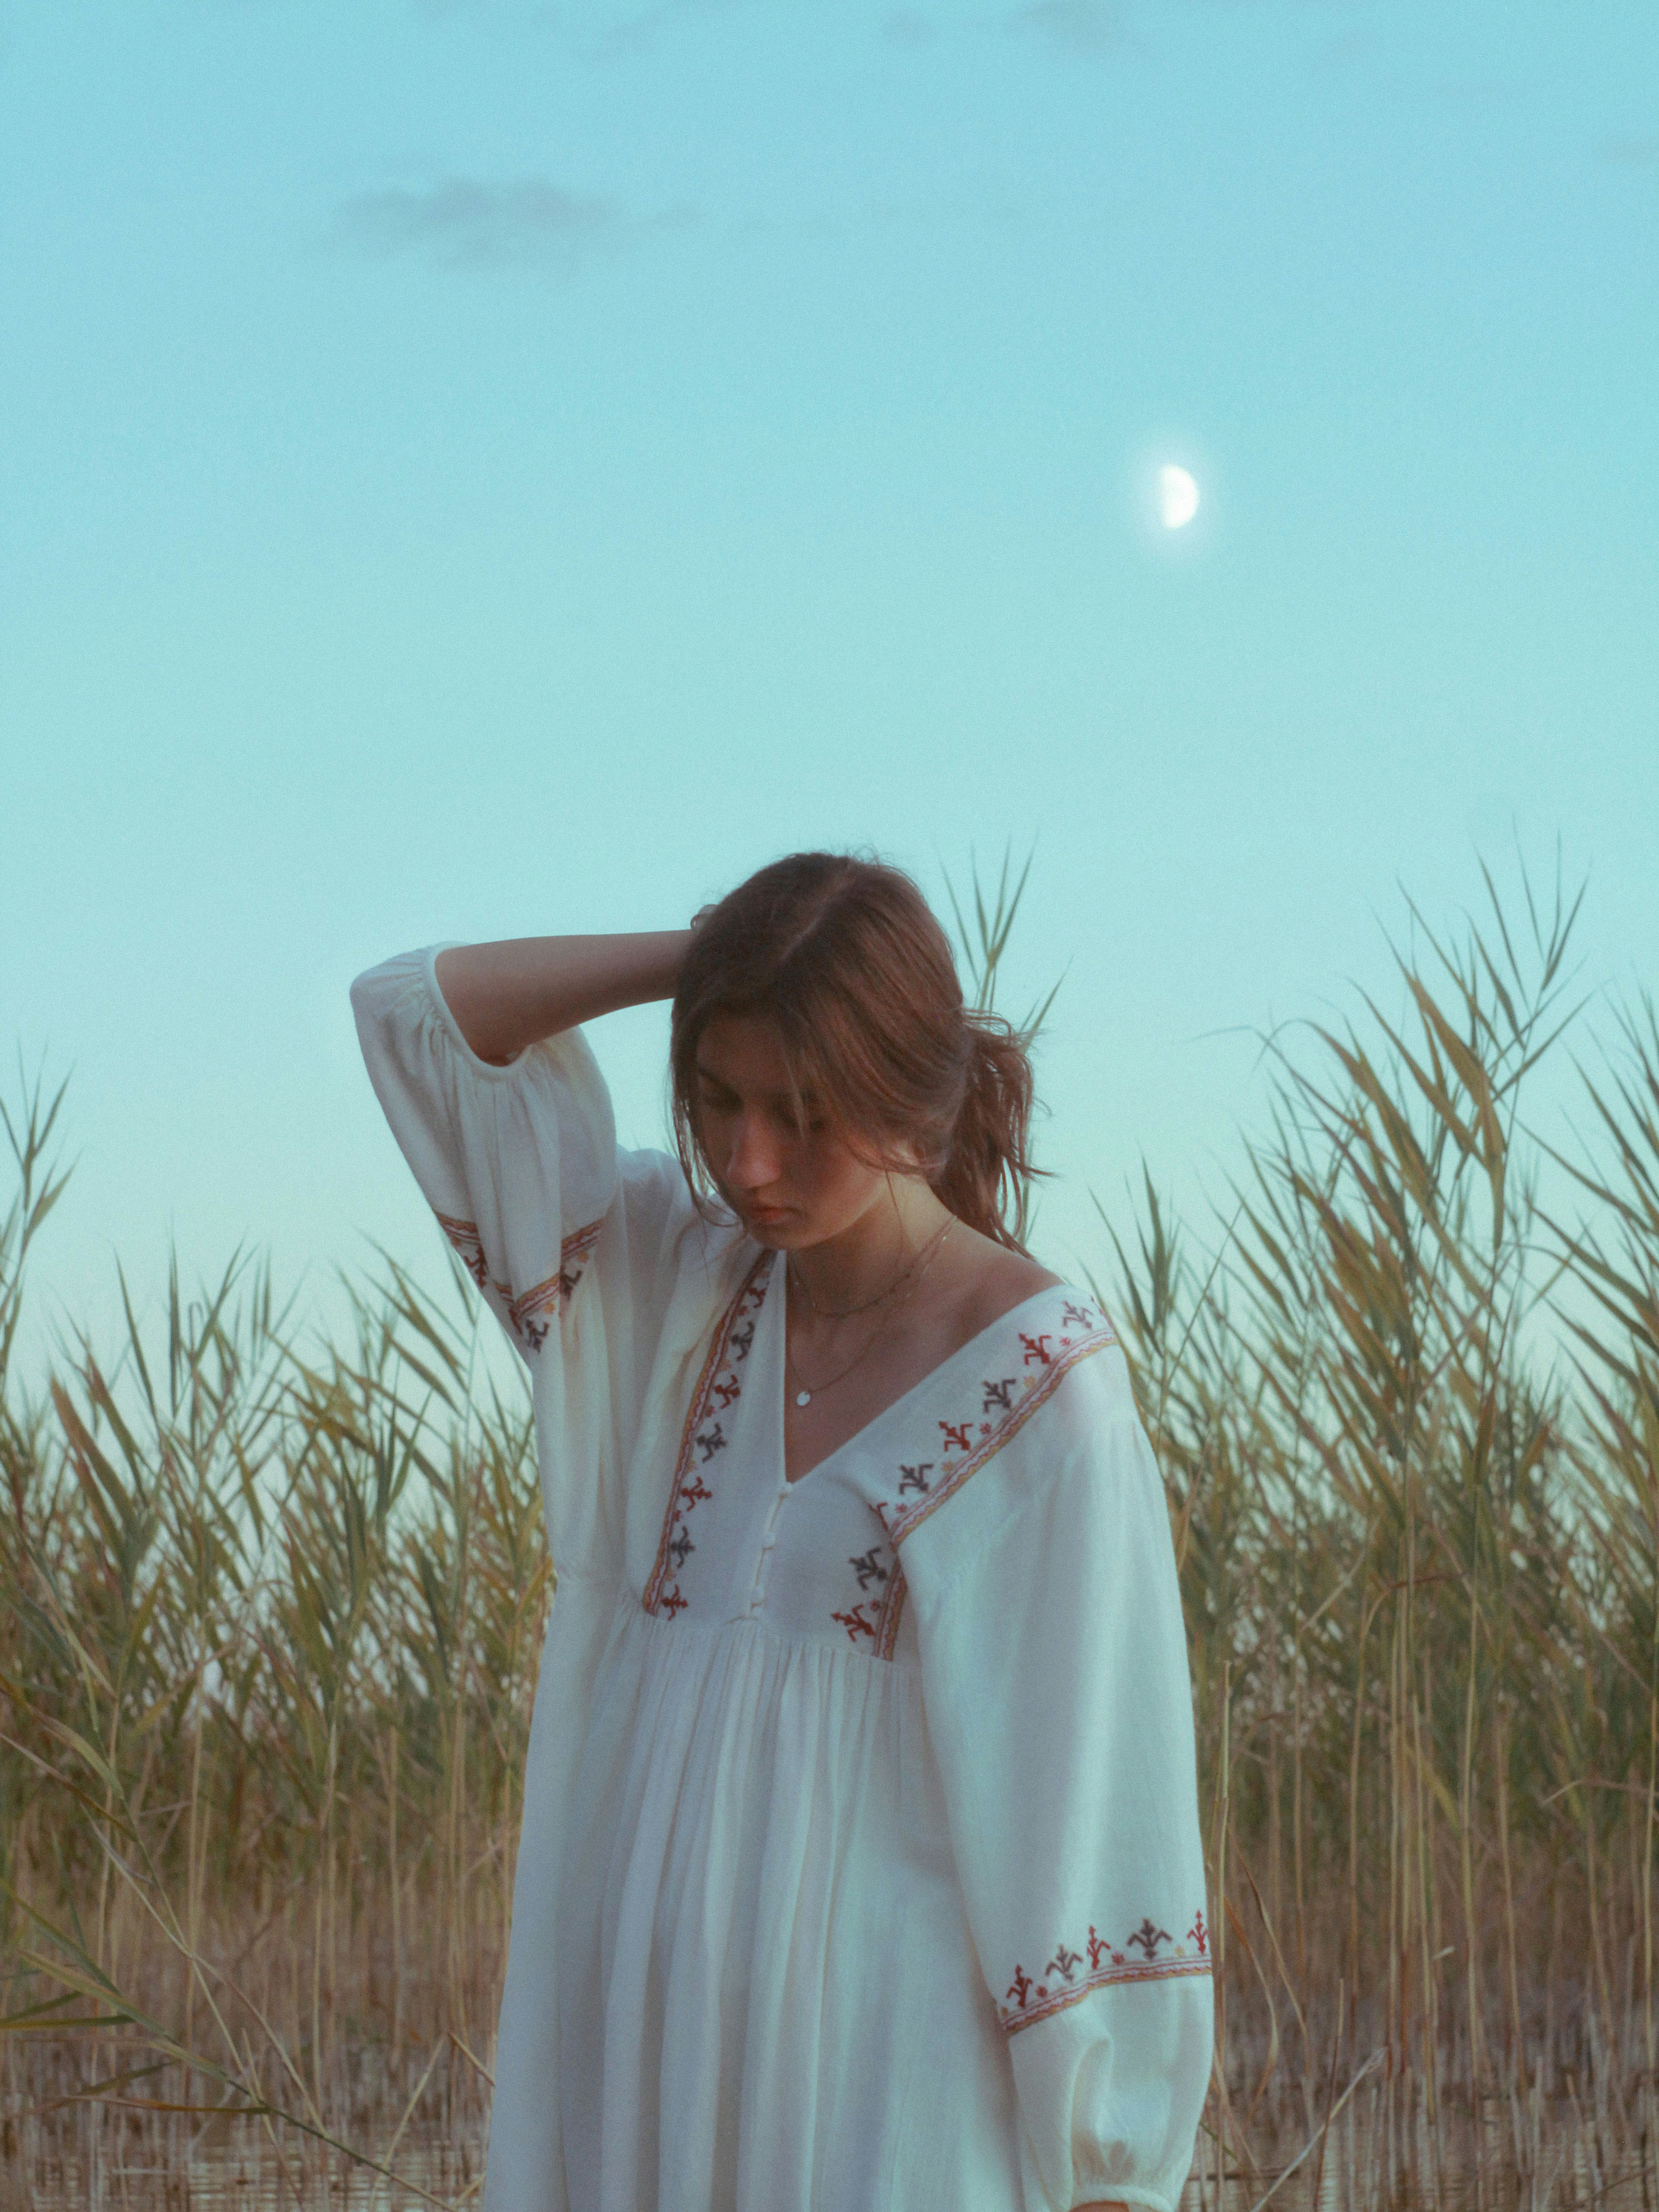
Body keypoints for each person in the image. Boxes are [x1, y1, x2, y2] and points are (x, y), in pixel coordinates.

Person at [350, 852, 1212, 2212]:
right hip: (646, 2066)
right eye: (719, 1100)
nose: (748, 1163)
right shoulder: (665, 1291)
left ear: (914, 1112)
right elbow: (415, 1012)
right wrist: (703, 958)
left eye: (804, 1114)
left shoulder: (1044, 1387)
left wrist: (1111, 2169)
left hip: (883, 2090)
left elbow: (1093, 1814)